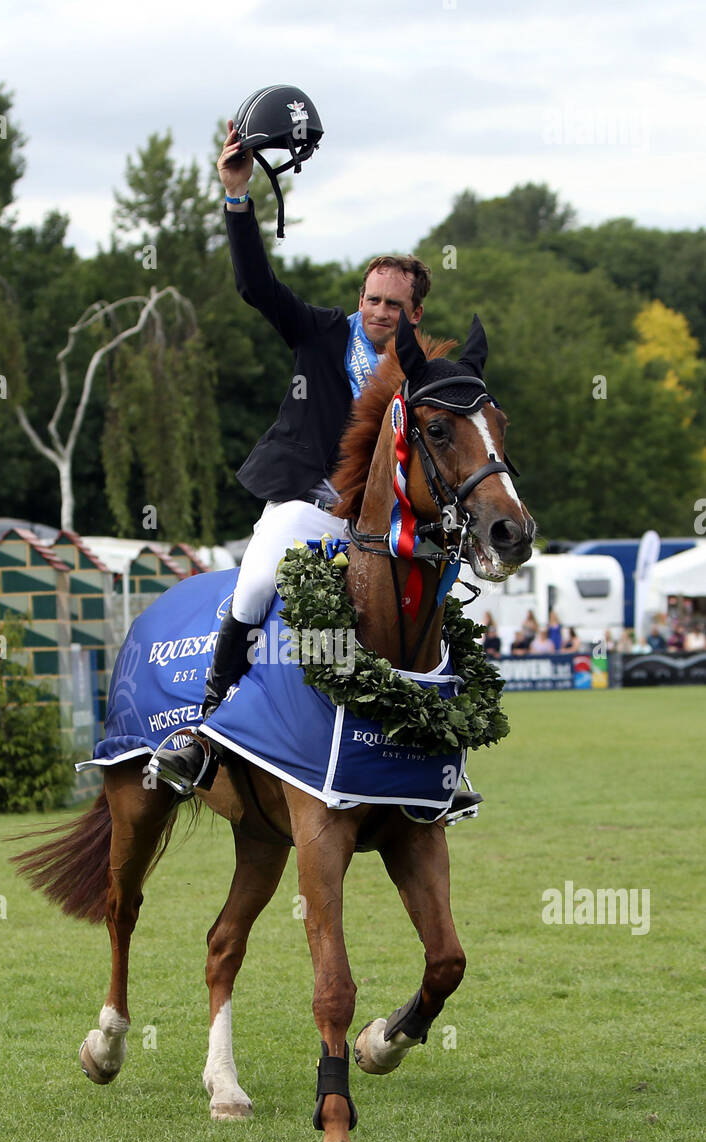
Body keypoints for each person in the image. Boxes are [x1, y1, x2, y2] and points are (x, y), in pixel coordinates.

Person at [152, 119, 482, 817]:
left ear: (415, 312)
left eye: (395, 305)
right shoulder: (321, 331)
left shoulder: (420, 371)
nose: (380, 312)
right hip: (306, 504)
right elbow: (254, 285)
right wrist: (237, 198)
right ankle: (205, 728)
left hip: (381, 523)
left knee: (434, 596)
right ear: (360, 296)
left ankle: (436, 752)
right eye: (372, 298)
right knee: (258, 577)